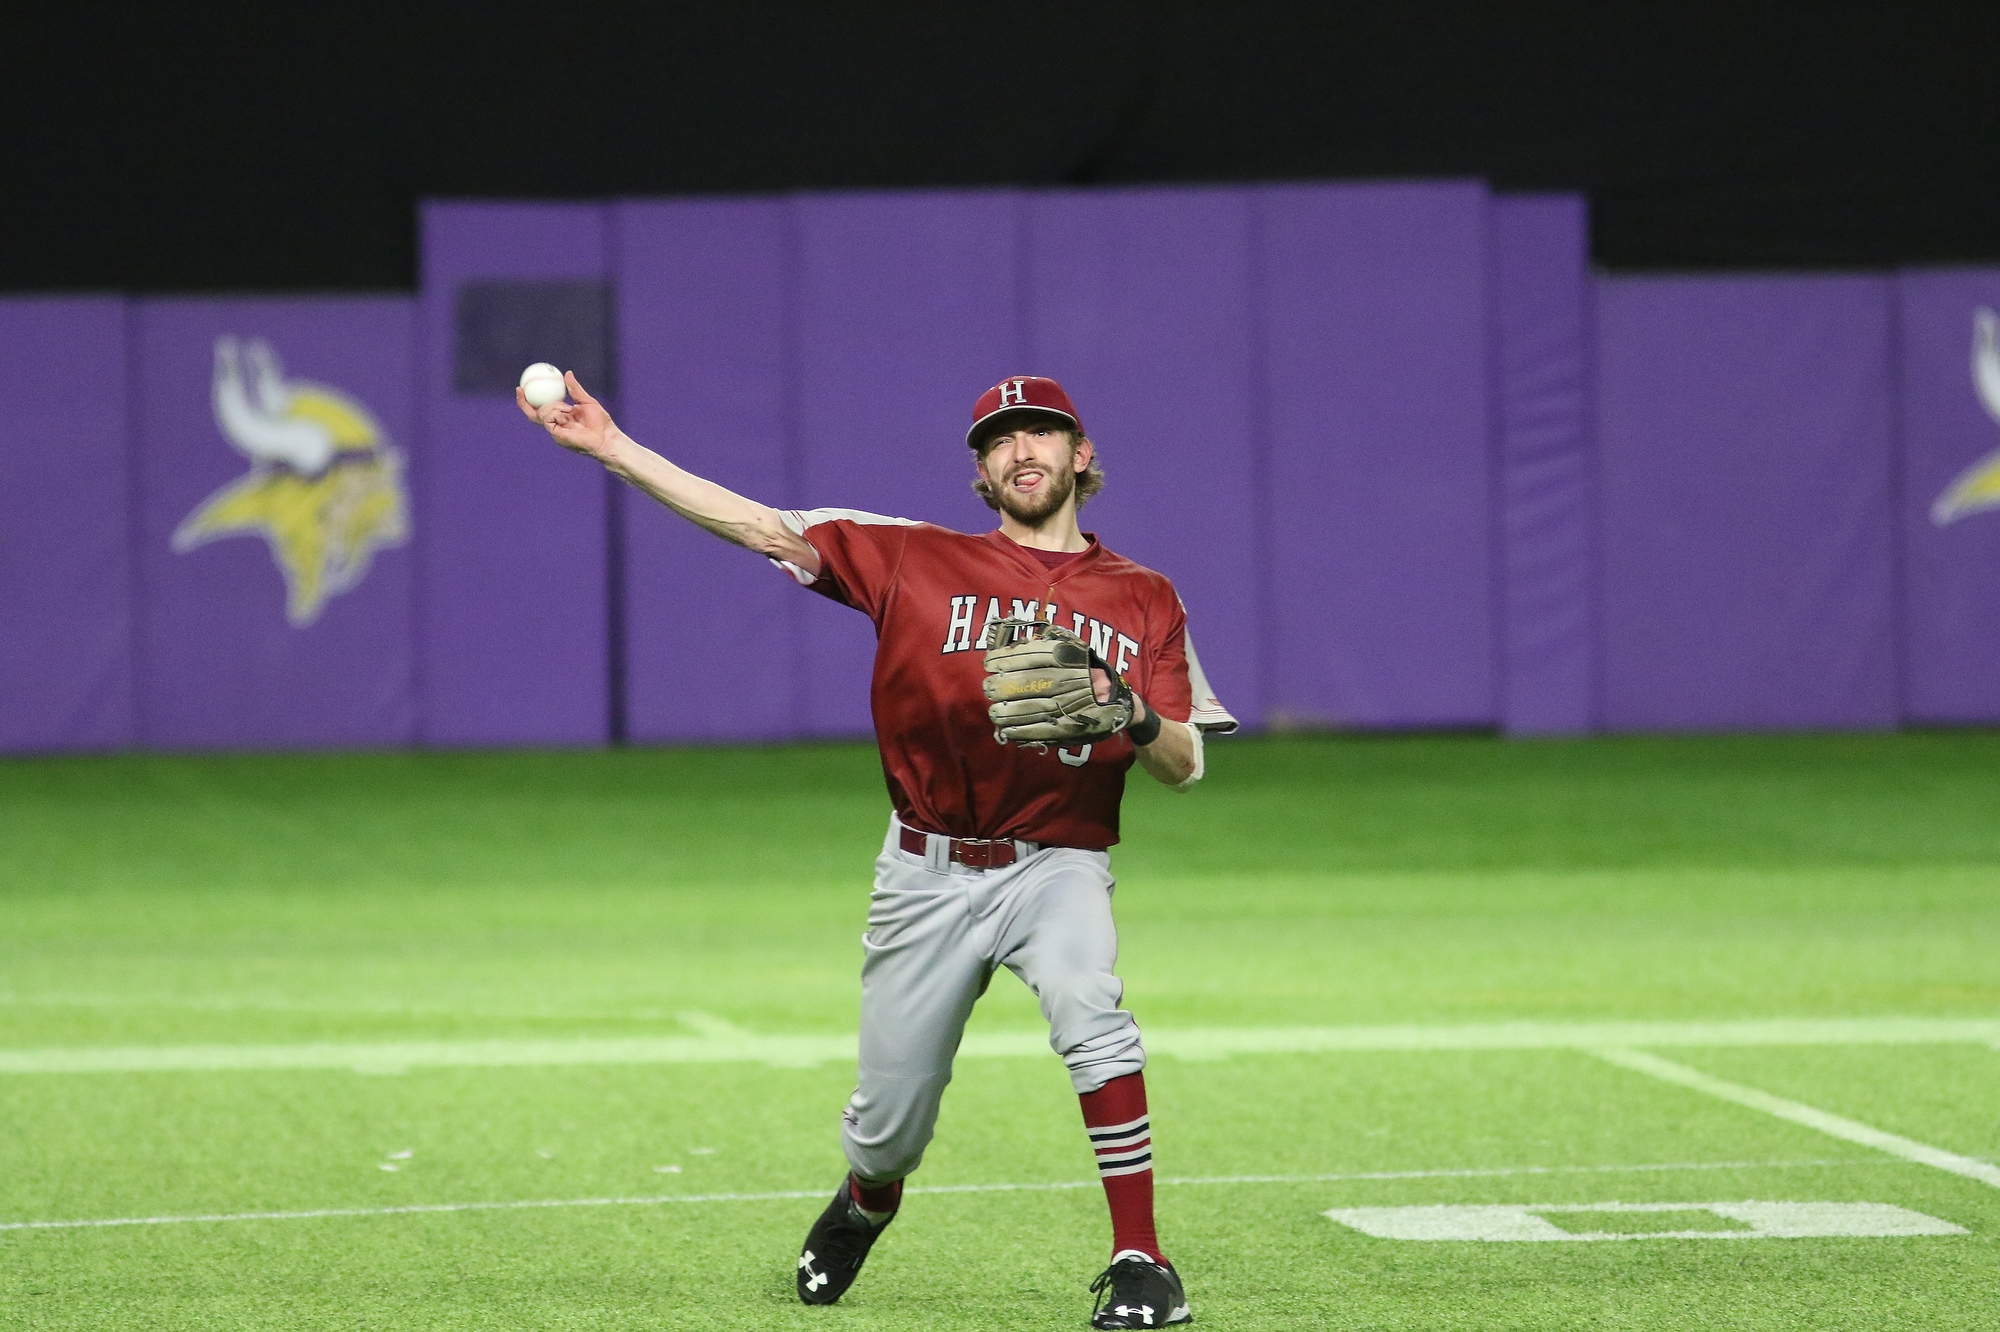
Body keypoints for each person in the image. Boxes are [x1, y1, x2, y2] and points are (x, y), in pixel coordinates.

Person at [521, 371, 1234, 1328]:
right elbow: (760, 527)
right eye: (1001, 440)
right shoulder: (912, 559)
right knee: (890, 1127)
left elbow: (1184, 766)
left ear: (1082, 454)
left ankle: (1142, 1259)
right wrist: (613, 447)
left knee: (1090, 1010)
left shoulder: (1145, 597)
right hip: (926, 871)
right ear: (981, 470)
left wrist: (1132, 711)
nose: (1023, 452)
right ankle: (869, 1198)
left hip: (1058, 864)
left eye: (1042, 434)